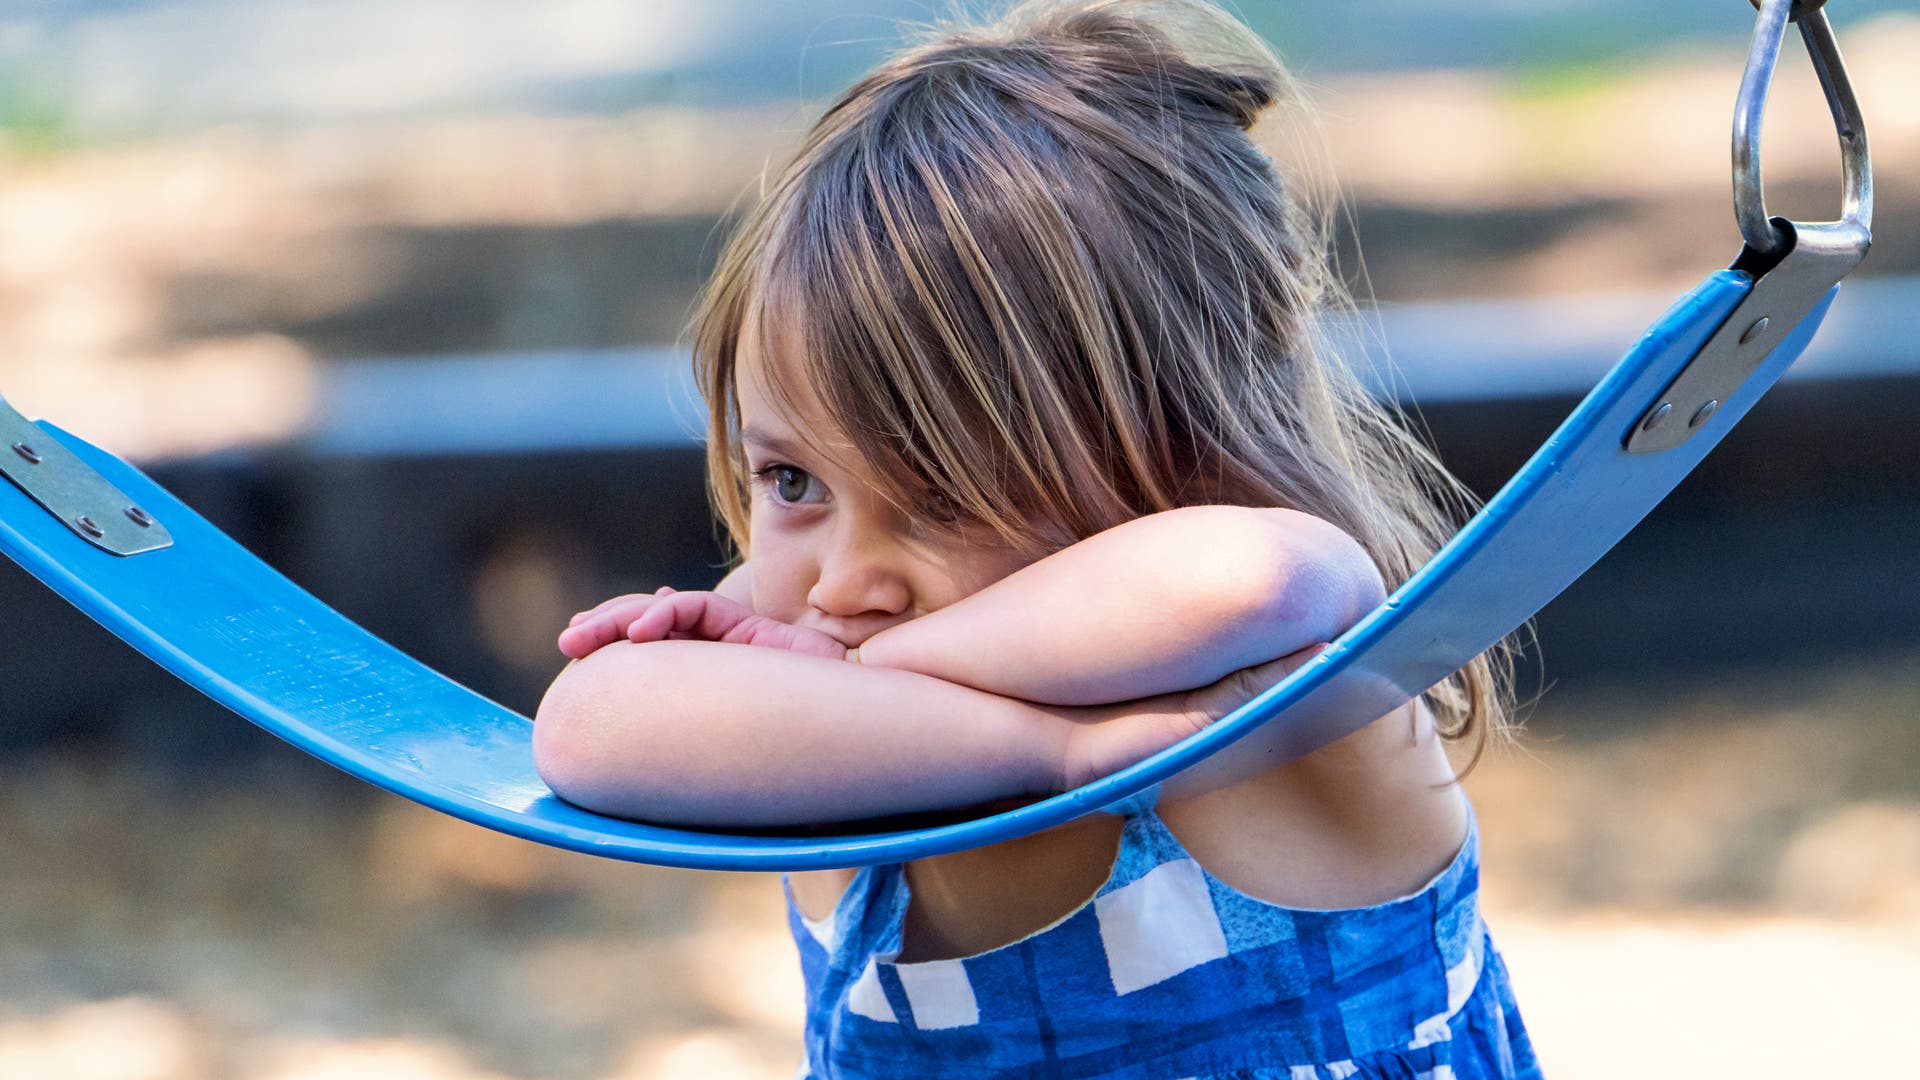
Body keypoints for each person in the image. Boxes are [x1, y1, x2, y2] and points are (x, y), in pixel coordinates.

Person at [535, 0, 1539, 1075]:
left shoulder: (1285, 703)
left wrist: (893, 681)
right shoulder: (816, 645)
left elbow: (1267, 577)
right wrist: (1029, 746)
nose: (843, 583)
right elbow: (587, 726)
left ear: (1186, 462)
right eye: (792, 480)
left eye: (946, 495)